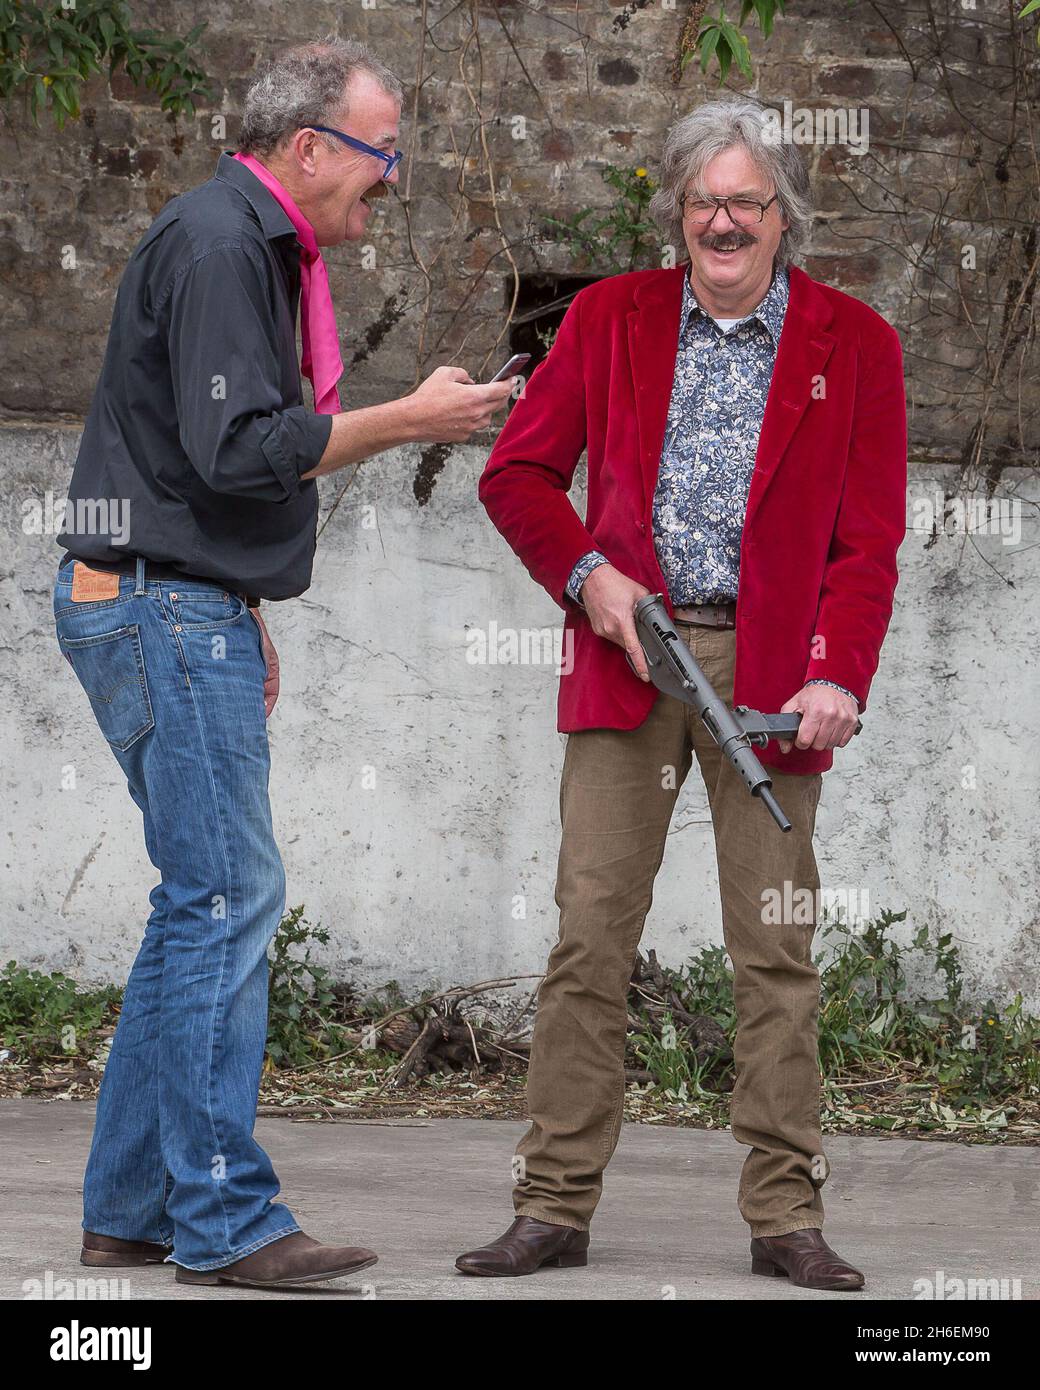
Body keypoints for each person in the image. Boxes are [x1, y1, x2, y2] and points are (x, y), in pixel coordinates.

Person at [56, 37, 514, 1291]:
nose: (393, 179)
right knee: (226, 900)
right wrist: (409, 421)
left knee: (194, 901)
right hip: (154, 603)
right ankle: (225, 1222)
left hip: (162, 592)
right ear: (307, 147)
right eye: (381, 153)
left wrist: (237, 596)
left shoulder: (239, 240)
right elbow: (237, 446)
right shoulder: (218, 242)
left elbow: (181, 457)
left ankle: (131, 1209)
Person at [459, 96, 907, 1289]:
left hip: (772, 682)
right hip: (628, 659)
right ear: (676, 213)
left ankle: (783, 1218)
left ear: (782, 219)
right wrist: (587, 573)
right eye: (702, 200)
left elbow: (866, 546)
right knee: (587, 939)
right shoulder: (607, 318)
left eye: (744, 202)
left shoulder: (853, 343)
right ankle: (551, 1205)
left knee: (774, 952)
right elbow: (516, 474)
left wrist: (836, 674)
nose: (721, 220)